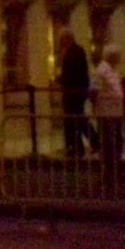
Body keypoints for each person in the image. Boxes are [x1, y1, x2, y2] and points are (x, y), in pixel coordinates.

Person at [90, 44, 125, 196]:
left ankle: (115, 172)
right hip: (107, 114)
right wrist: (100, 106)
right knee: (109, 145)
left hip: (115, 113)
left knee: (117, 143)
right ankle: (109, 175)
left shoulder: (112, 70)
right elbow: (93, 92)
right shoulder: (101, 71)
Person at [56, 28, 94, 159]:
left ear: (67, 39)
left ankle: (89, 143)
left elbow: (74, 74)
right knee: (76, 120)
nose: (59, 43)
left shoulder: (74, 52)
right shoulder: (73, 51)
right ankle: (77, 147)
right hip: (75, 92)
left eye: (61, 40)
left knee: (76, 119)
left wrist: (62, 80)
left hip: (74, 92)